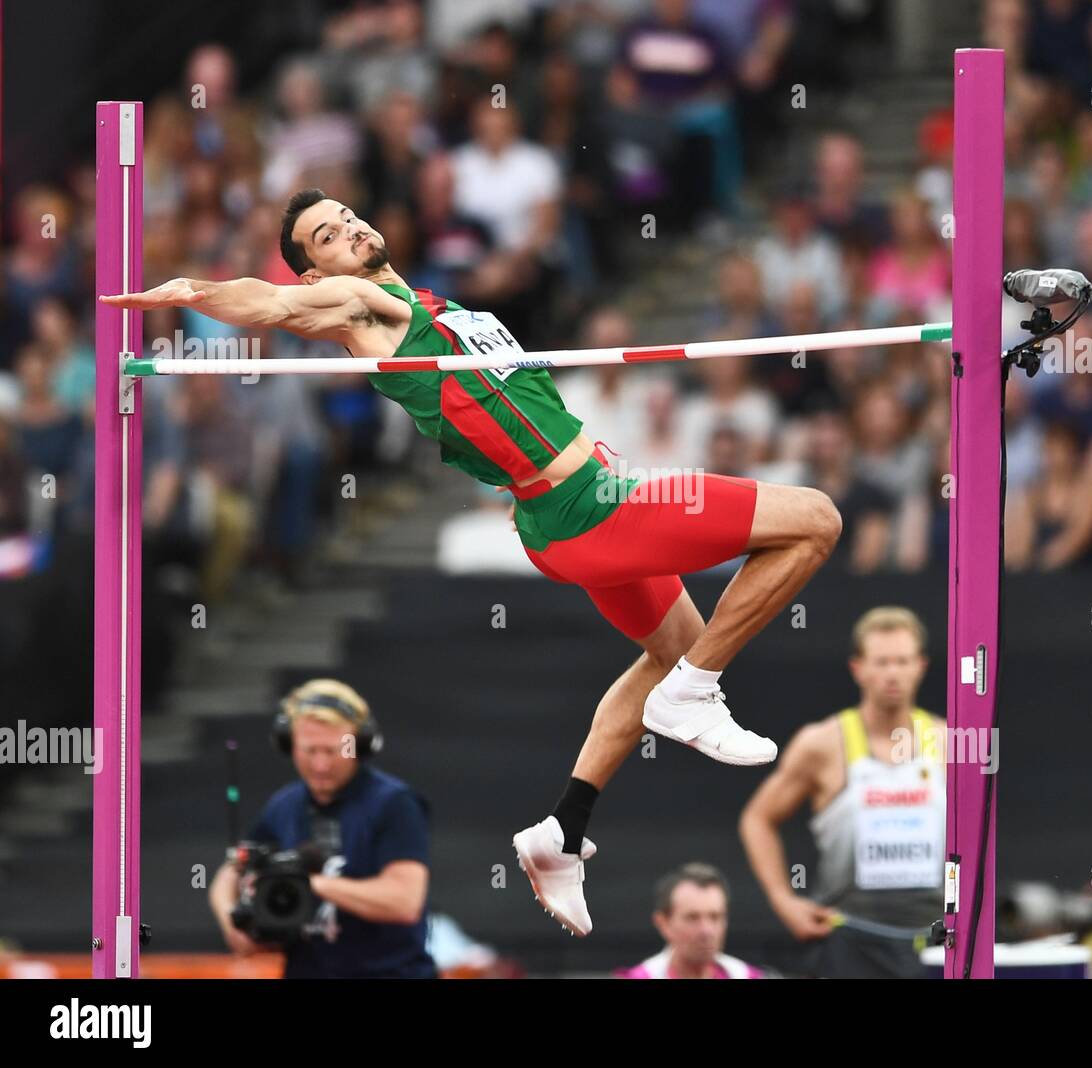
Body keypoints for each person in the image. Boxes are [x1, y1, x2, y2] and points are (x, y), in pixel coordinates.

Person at [105, 190, 842, 938]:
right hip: (591, 506)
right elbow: (271, 304)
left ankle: (561, 831)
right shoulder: (366, 310)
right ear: (314, 273)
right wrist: (197, 293)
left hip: (581, 505)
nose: (350, 229)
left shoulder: (426, 300)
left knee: (673, 652)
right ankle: (695, 694)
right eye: (325, 236)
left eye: (348, 216)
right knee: (814, 519)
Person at [739, 606, 946, 978]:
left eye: (902, 661)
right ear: (858, 668)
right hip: (851, 940)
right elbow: (758, 818)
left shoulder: (949, 742)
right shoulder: (822, 743)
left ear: (921, 666)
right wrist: (783, 900)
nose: (892, 673)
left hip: (937, 940)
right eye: (881, 662)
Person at [207, 679, 435, 978]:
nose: (321, 764)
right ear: (289, 744)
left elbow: (405, 901)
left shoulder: (394, 804)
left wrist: (308, 884)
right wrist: (233, 923)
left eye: (332, 751)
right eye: (310, 750)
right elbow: (229, 872)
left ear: (360, 744)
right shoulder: (283, 806)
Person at [614, 863, 766, 979]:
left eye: (715, 917)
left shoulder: (749, 976)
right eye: (692, 918)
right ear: (663, 924)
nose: (707, 931)